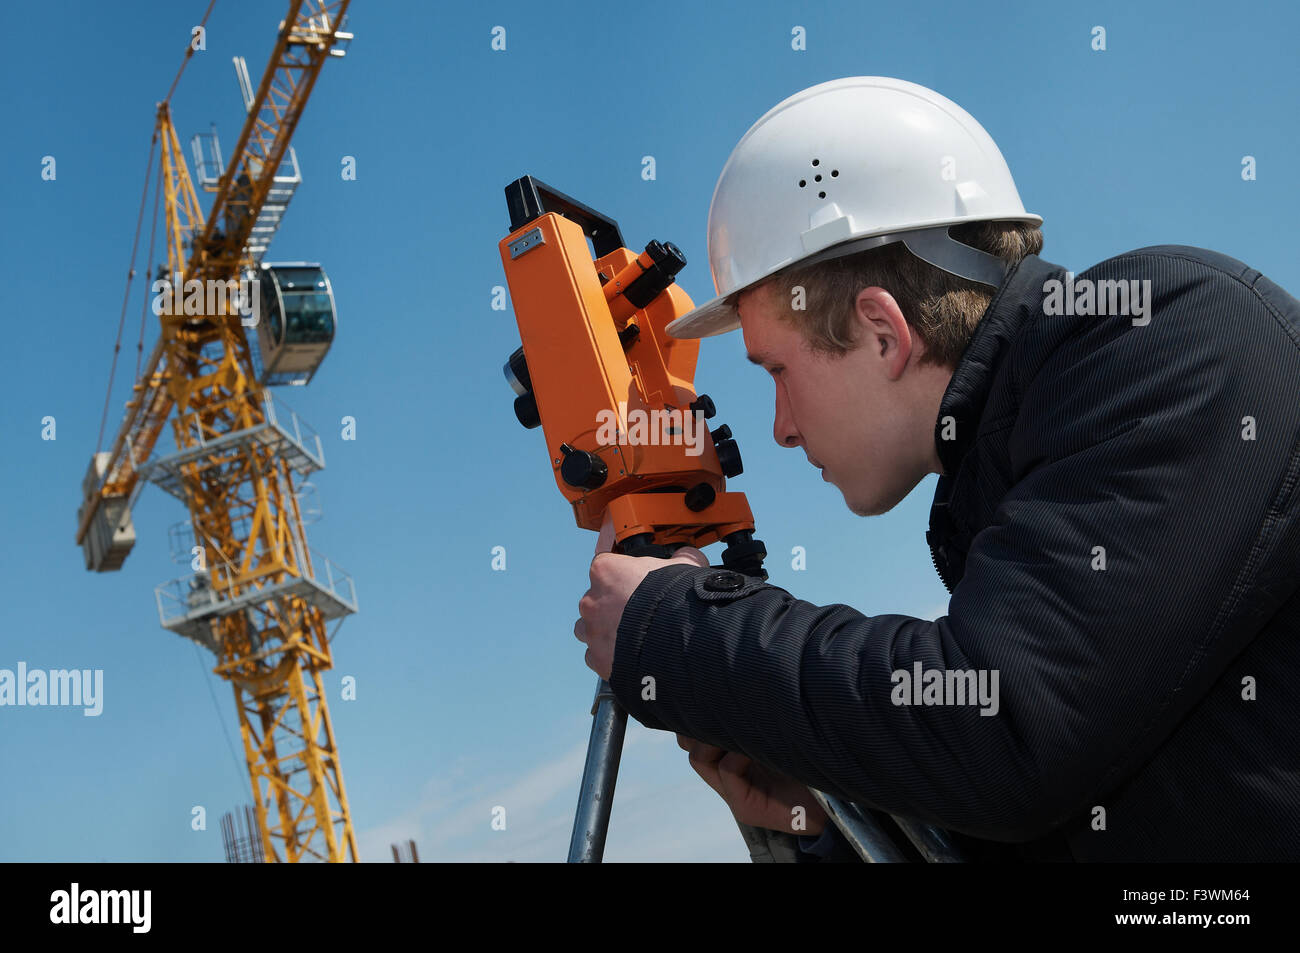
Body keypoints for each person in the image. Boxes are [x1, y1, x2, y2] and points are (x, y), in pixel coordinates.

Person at [573, 76, 1300, 862]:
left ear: (882, 331)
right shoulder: (1005, 472)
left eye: (777, 370)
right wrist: (830, 824)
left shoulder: (1173, 337)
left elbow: (1005, 727)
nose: (780, 428)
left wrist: (676, 626)